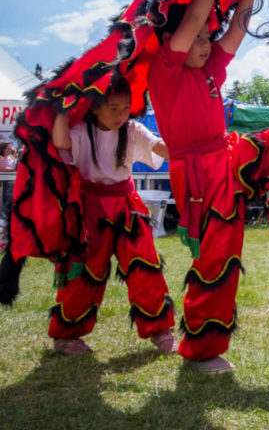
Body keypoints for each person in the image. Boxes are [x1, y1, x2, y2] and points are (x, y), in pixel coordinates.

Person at [147, 0, 269, 373]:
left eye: (210, 38)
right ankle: (202, 351)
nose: (206, 43)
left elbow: (238, 26)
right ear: (174, 40)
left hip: (227, 152)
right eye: (198, 37)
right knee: (218, 258)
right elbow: (192, 18)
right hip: (196, 173)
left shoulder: (211, 69)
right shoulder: (165, 70)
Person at [48, 79, 176, 356]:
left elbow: (161, 148)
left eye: (126, 108)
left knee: (144, 264)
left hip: (127, 204)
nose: (121, 115)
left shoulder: (132, 129)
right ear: (94, 108)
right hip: (90, 208)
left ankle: (160, 330)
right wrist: (59, 108)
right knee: (86, 270)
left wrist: (194, 147)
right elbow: (60, 142)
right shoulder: (81, 130)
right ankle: (66, 334)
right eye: (113, 108)